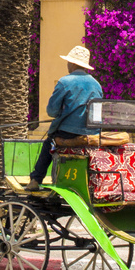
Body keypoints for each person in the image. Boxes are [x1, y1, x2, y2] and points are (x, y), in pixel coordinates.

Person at [25, 45, 102, 192]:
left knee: (48, 144)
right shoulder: (96, 85)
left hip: (67, 133)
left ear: (72, 64)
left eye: (68, 62)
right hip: (92, 133)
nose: (67, 64)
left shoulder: (65, 82)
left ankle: (36, 179)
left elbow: (52, 111)